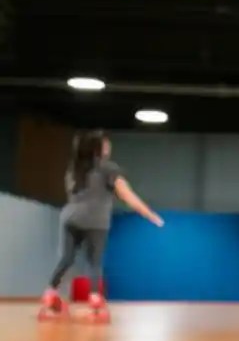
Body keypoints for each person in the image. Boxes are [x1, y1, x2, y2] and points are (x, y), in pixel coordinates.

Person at [38, 130, 164, 321]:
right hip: (95, 219)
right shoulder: (108, 168)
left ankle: (49, 294)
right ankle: (95, 301)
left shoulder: (74, 169)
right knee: (94, 261)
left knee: (66, 257)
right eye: (106, 144)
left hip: (70, 216)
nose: (109, 147)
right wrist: (148, 213)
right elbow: (126, 194)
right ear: (99, 149)